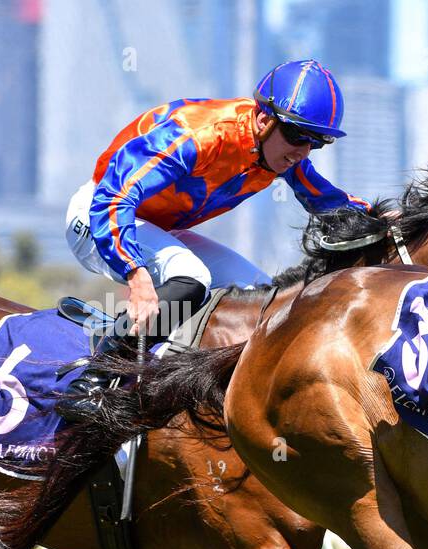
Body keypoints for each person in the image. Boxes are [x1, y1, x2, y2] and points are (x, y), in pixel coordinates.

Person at [59, 59, 372, 417]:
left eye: (316, 143)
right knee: (192, 278)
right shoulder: (200, 136)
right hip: (99, 216)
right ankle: (96, 380)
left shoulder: (280, 149)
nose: (303, 151)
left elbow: (327, 201)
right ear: (264, 118)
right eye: (299, 136)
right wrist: (136, 274)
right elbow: (114, 196)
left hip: (157, 228)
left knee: (263, 295)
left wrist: (389, 220)